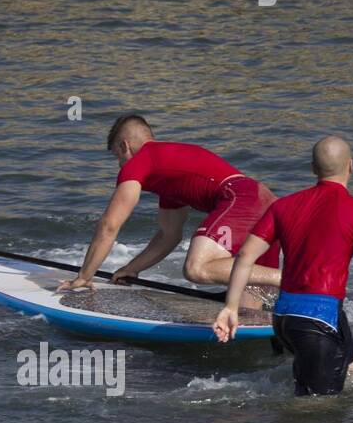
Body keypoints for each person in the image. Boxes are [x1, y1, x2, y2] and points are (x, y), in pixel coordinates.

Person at [213, 136, 353, 396]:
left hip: (285, 318)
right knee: (317, 417)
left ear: (312, 168)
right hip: (317, 321)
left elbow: (246, 255)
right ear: (351, 166)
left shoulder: (282, 206)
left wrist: (231, 307)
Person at [59, 114, 280, 306]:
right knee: (249, 307)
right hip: (264, 200)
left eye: (117, 157)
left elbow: (109, 225)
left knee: (197, 268)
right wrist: (133, 268)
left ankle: (288, 278)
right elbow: (169, 236)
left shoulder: (140, 161)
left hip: (241, 199)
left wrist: (84, 276)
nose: (119, 165)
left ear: (124, 146)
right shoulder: (169, 171)